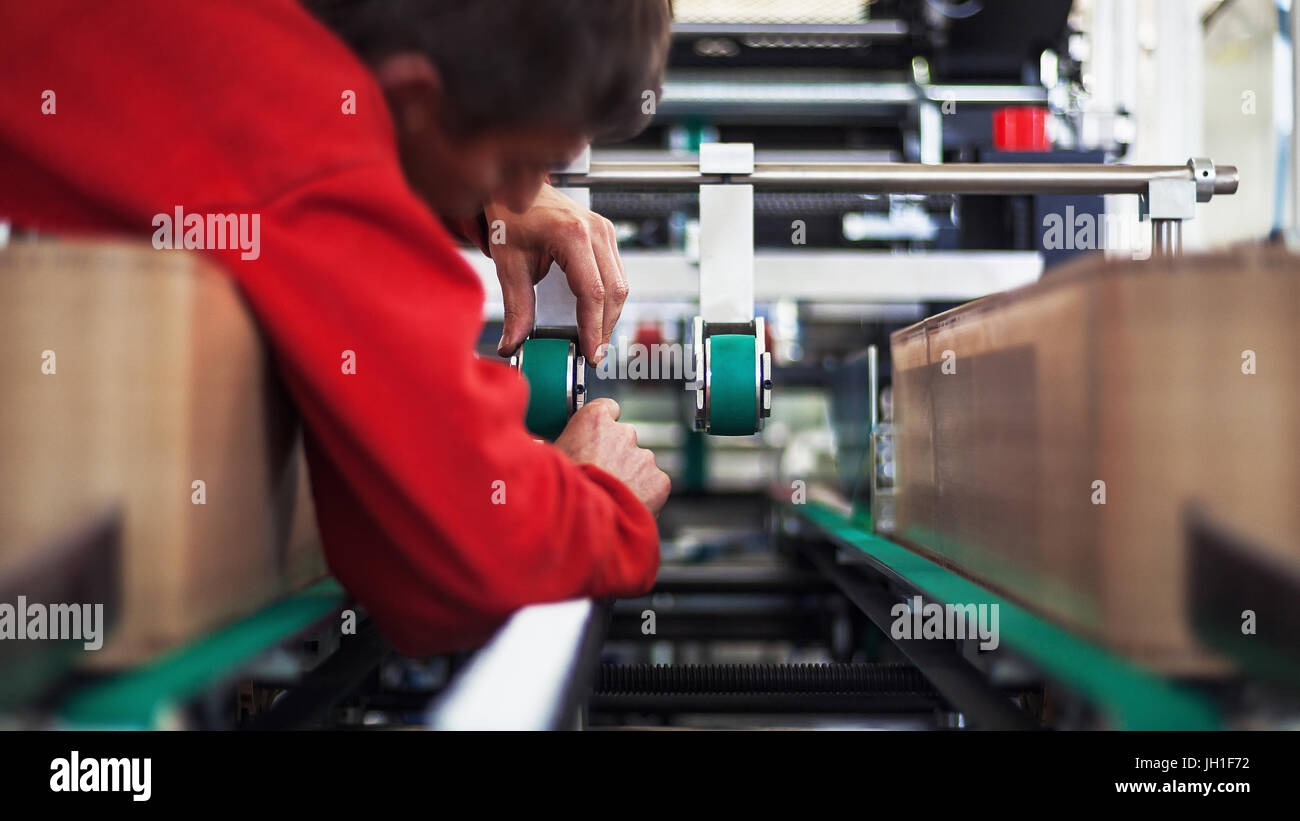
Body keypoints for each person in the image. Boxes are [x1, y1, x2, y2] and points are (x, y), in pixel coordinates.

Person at [0, 0, 673, 654]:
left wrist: (474, 193)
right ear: (415, 96)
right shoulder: (303, 134)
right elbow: (463, 559)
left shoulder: (253, 44)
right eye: (518, 164)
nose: (527, 197)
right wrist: (602, 497)